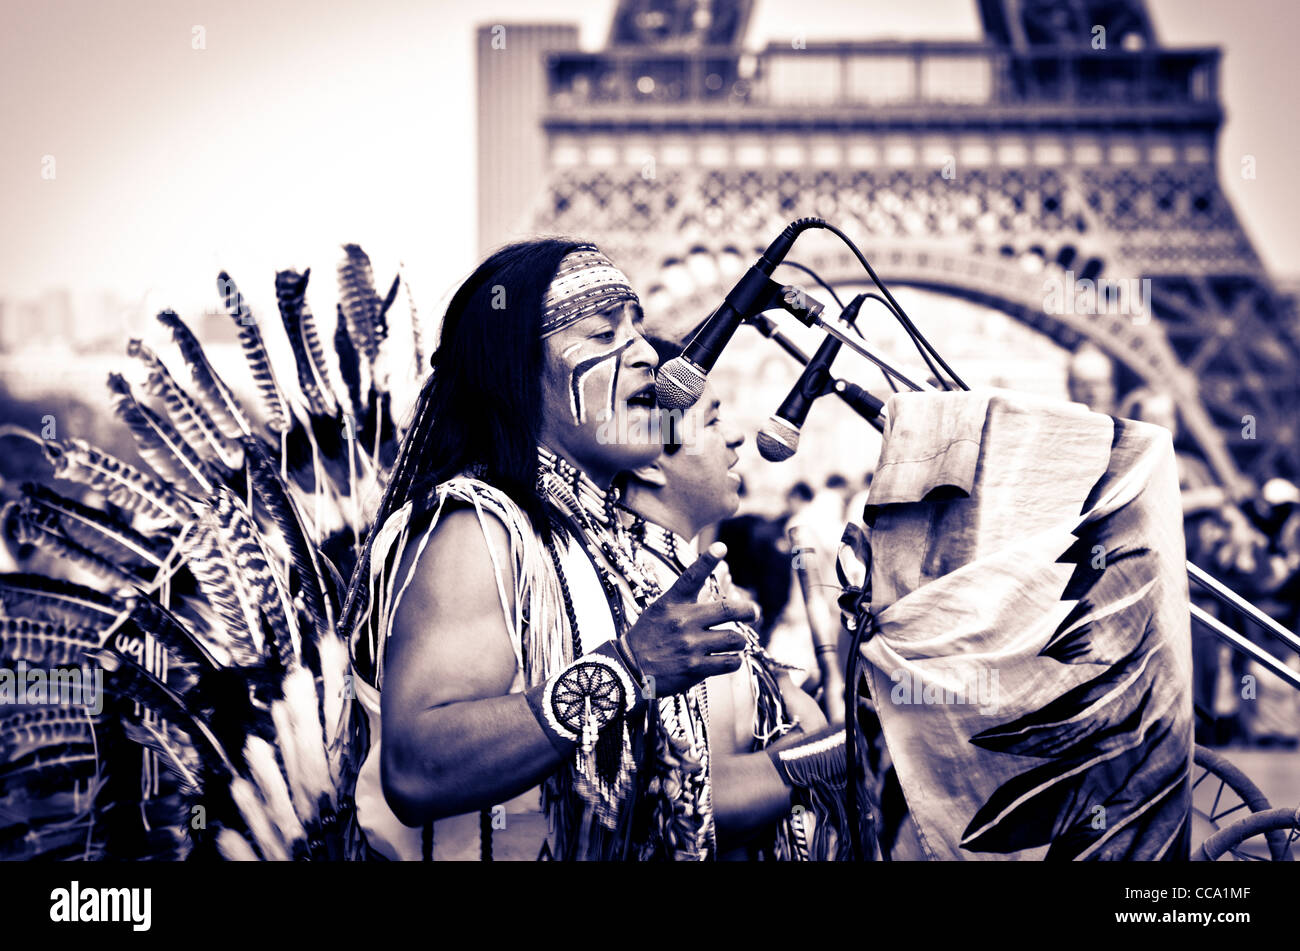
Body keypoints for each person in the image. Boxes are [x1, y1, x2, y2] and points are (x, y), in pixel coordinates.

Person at [342, 240, 758, 860]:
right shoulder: (475, 526)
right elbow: (418, 768)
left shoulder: (601, 541)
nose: (646, 354)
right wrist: (628, 669)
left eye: (638, 330)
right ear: (519, 371)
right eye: (602, 334)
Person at [619, 336, 845, 858]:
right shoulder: (645, 593)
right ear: (650, 460)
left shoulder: (690, 573)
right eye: (713, 420)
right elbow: (688, 802)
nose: (738, 436)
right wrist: (840, 748)